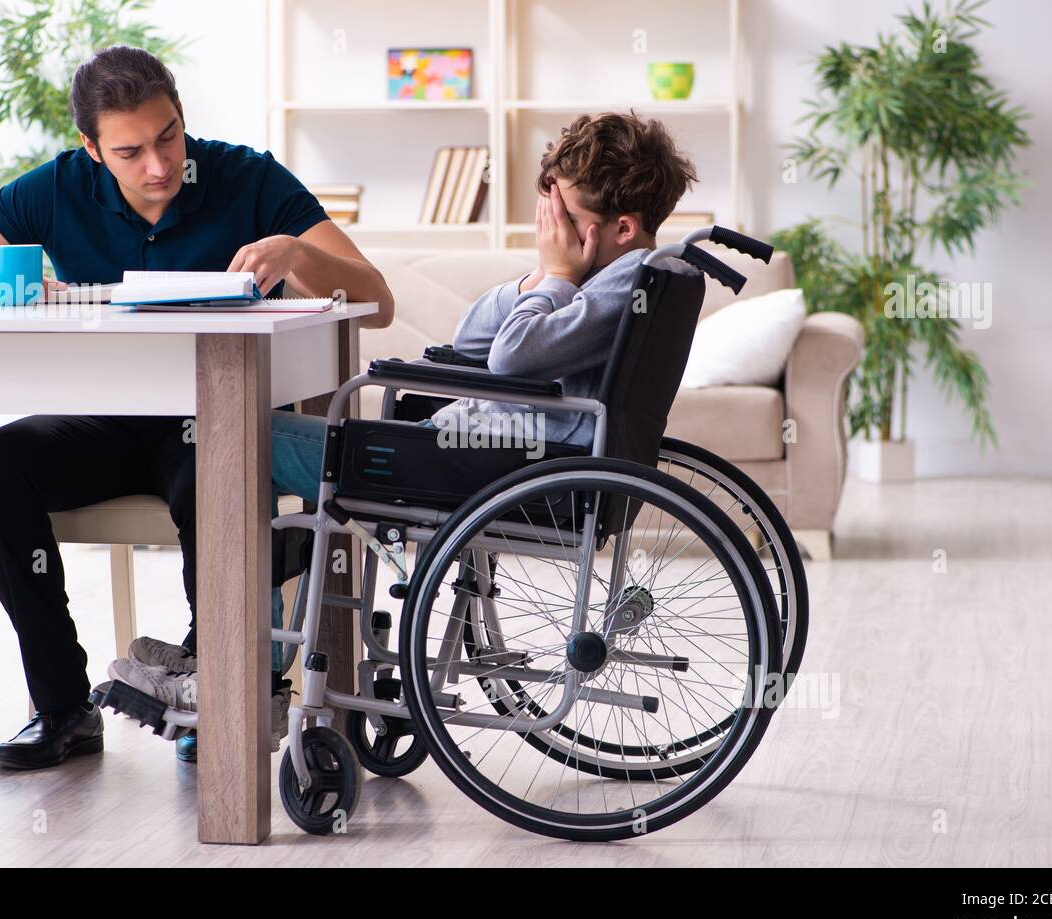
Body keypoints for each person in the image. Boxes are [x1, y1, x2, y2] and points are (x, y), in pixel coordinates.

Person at [107, 110, 701, 760]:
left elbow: (510, 357)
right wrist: (542, 276)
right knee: (275, 451)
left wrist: (558, 275)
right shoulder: (621, 277)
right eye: (547, 216)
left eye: (564, 220)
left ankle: (234, 680)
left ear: (620, 227)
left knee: (238, 435)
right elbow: (478, 336)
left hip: (485, 469)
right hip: (480, 457)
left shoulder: (620, 284)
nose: (551, 231)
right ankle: (239, 663)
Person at [0, 45, 394, 770]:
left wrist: (296, 253)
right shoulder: (55, 190)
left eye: (168, 138)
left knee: (214, 460)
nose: (158, 166)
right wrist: (23, 273)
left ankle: (217, 685)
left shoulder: (248, 177)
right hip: (106, 419)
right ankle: (64, 707)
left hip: (211, 416)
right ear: (91, 150)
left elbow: (377, 298)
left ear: (183, 120)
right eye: (130, 151)